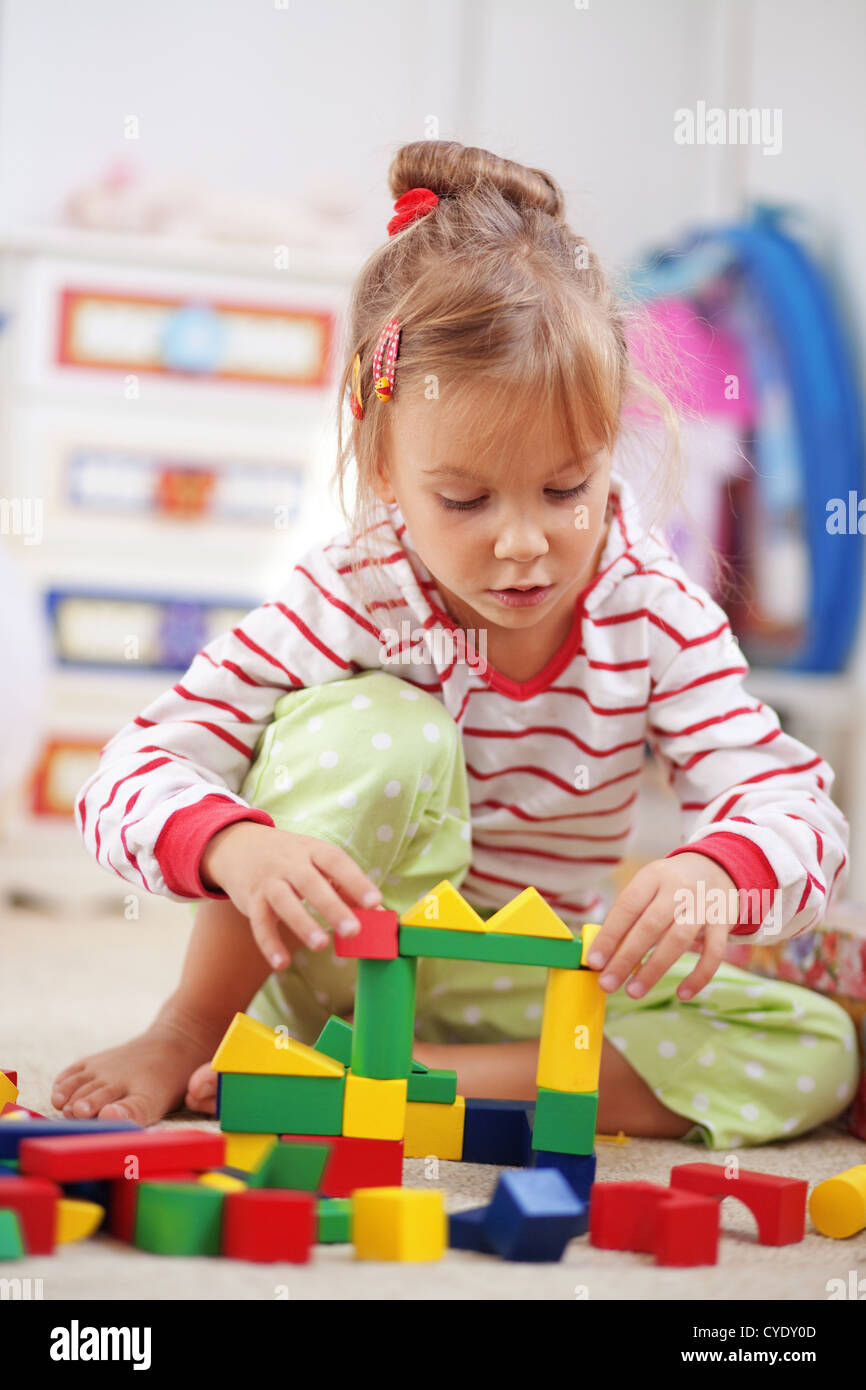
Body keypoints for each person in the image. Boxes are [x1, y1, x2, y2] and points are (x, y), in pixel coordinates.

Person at [54, 141, 859, 1149]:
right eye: (465, 499)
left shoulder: (652, 608)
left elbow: (795, 811)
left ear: (614, 436)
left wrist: (716, 868)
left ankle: (413, 1079)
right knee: (384, 730)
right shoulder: (350, 589)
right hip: (339, 958)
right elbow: (129, 772)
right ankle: (193, 1028)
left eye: (565, 489)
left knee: (815, 1048)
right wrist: (234, 843)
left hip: (531, 986)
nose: (522, 543)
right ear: (383, 467)